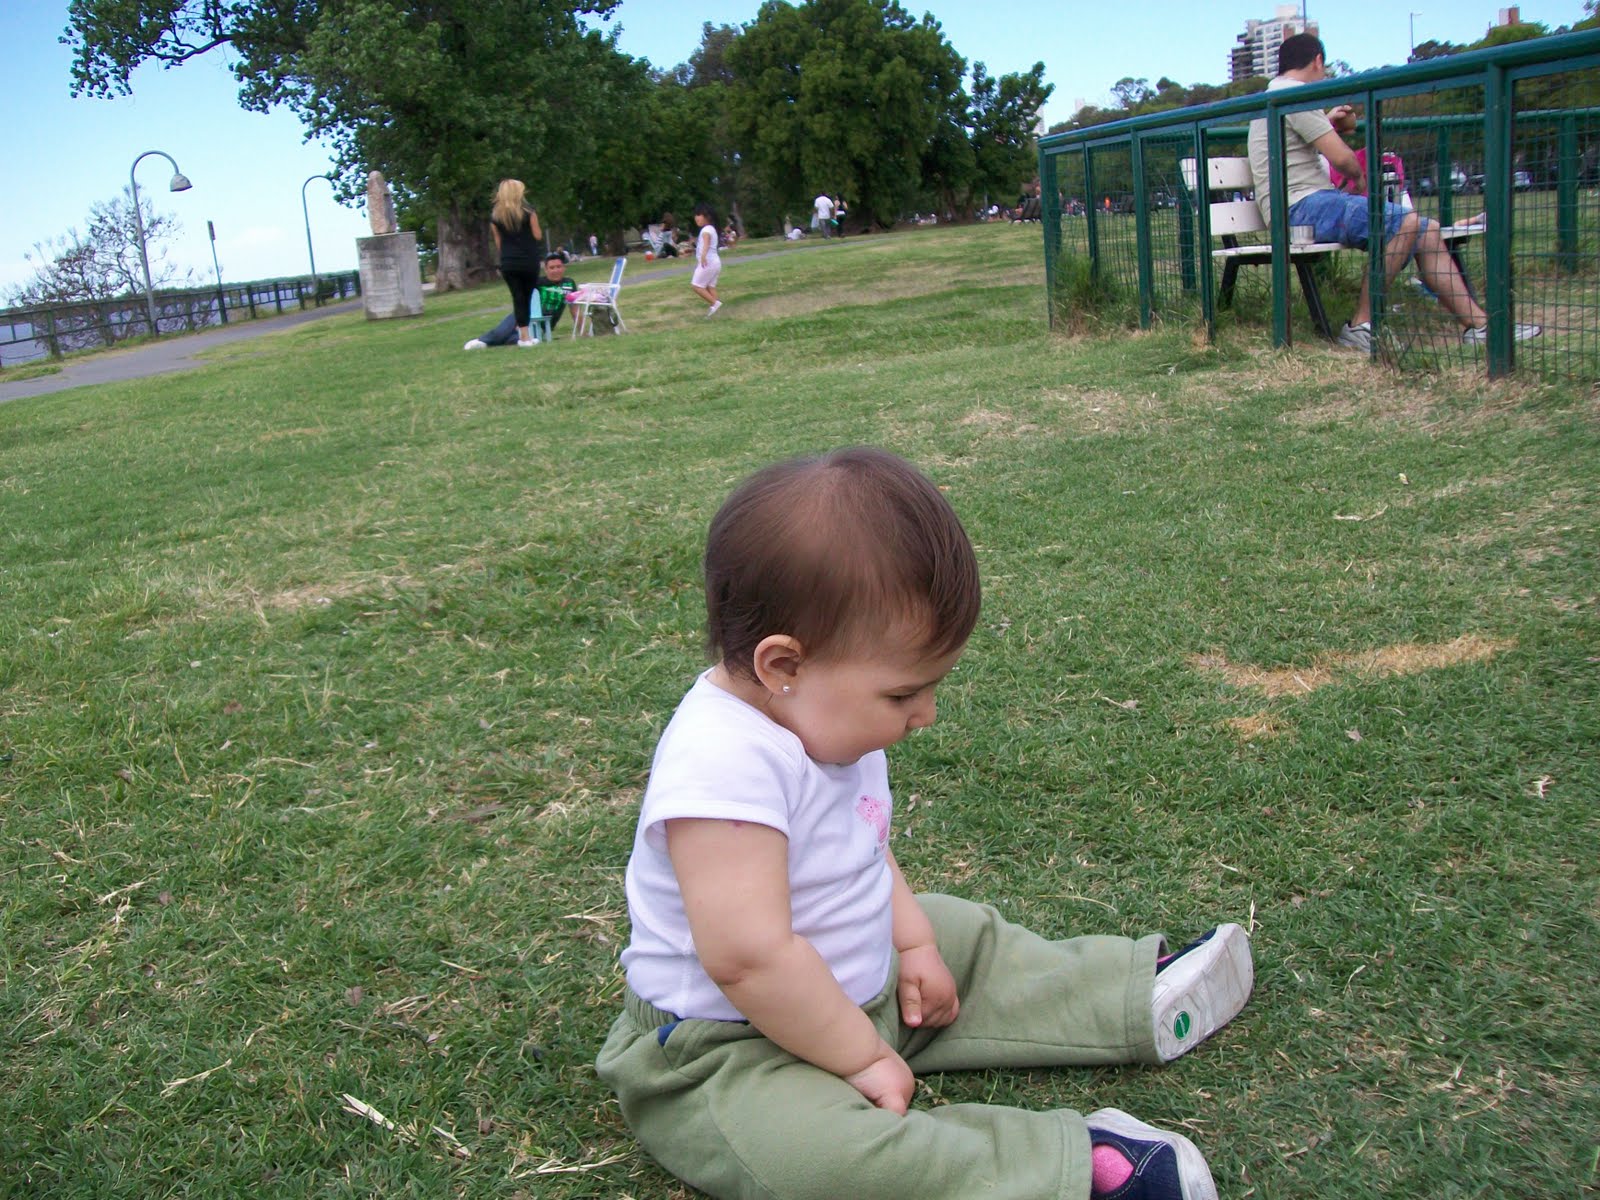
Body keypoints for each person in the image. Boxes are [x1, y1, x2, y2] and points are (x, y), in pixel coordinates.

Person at [596, 446, 1255, 1200]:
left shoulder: (821, 712)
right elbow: (749, 960)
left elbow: (864, 849)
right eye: (905, 693)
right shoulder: (720, 765)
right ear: (784, 665)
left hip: (864, 985)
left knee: (963, 938)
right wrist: (860, 1055)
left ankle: (1129, 993)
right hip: (729, 1045)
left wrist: (910, 940)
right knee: (813, 1158)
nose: (926, 715)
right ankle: (1069, 1169)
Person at [1248, 33, 1539, 352]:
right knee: (1405, 222)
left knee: (1425, 229)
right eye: (1325, 66)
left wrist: (1329, 121)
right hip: (1301, 208)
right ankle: (1360, 325)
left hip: (1303, 205)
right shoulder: (1294, 95)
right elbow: (1343, 159)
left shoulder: (1278, 95)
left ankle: (1478, 325)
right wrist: (1359, 178)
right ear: (1318, 61)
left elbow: (1301, 142)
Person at [464, 254, 577, 349]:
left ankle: (495, 343)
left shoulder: (569, 284)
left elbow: (574, 308)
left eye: (559, 267)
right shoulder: (537, 282)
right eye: (552, 268)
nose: (556, 270)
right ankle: (483, 341)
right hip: (525, 315)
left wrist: (580, 329)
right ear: (546, 270)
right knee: (502, 332)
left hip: (543, 324)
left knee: (516, 338)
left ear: (564, 268)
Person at [488, 179, 543, 349]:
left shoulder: (495, 217)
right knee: (526, 297)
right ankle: (525, 336)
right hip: (529, 260)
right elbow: (538, 235)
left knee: (517, 297)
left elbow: (498, 243)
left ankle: (523, 335)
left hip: (509, 262)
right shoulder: (529, 212)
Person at [690, 202, 723, 317]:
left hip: (707, 262)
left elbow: (706, 242)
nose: (696, 218)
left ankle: (715, 303)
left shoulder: (706, 230)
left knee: (696, 286)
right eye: (696, 215)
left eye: (699, 215)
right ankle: (715, 310)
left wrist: (703, 255)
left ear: (707, 217)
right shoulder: (712, 229)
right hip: (715, 262)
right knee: (710, 286)